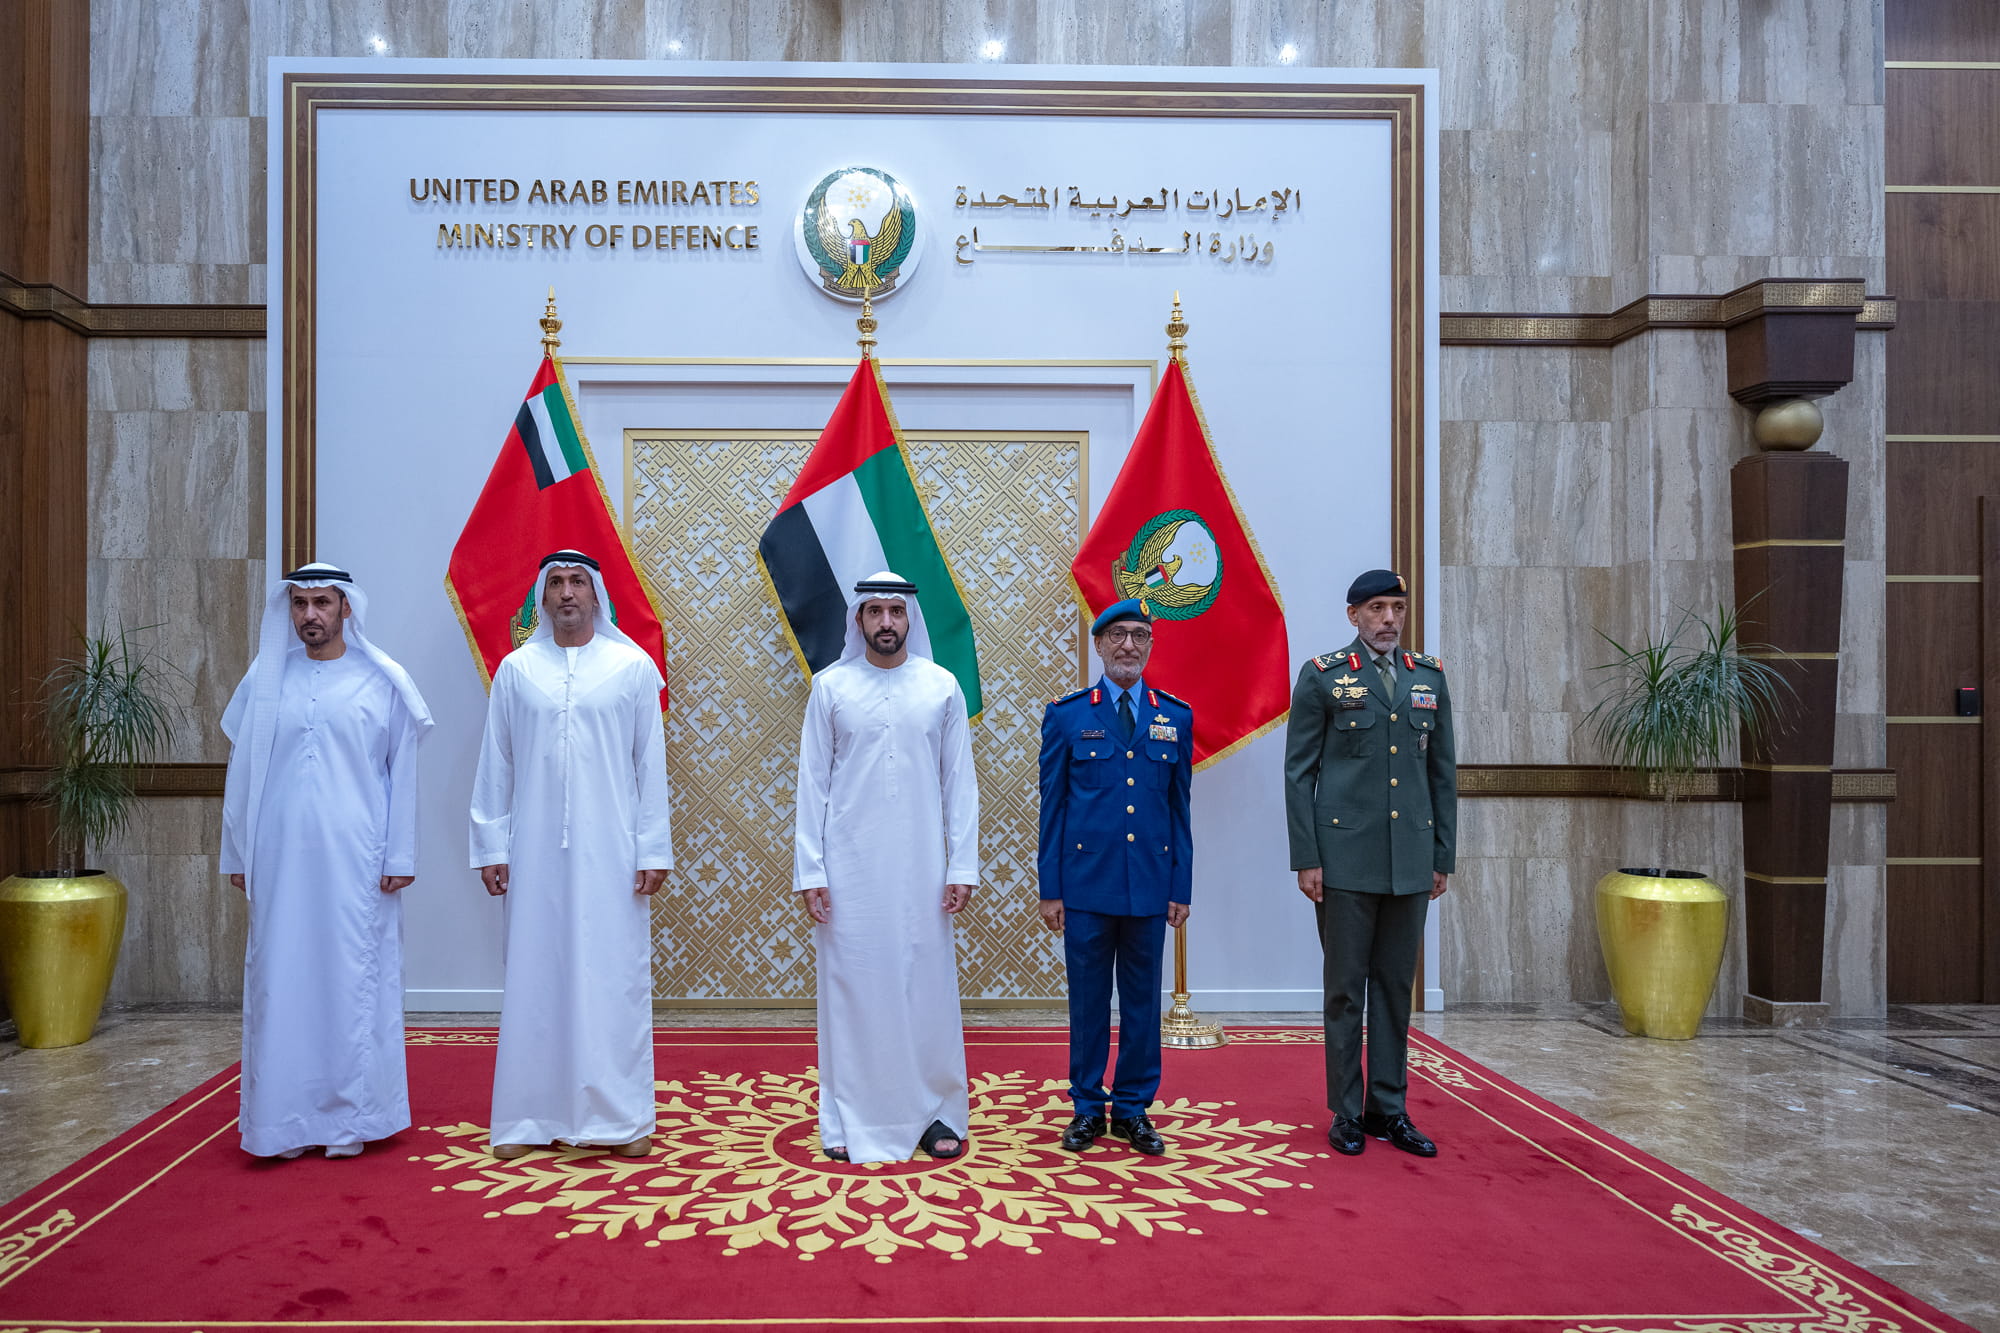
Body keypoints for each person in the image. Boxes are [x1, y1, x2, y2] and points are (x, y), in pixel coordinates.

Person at [220, 562, 432, 1160]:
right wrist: (236, 851)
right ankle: (281, 1125)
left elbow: (402, 774)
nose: (310, 615)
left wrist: (401, 854)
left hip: (358, 865)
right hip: (280, 863)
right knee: (280, 981)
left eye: (322, 603)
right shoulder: (267, 678)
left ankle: (350, 1123)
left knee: (351, 983)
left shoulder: (382, 681)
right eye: (301, 604)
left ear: (346, 609)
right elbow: (243, 773)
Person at [470, 549, 673, 1160]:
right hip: (533, 853)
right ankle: (528, 1116)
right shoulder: (516, 670)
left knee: (612, 979)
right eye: (555, 583)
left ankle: (620, 1119)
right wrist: (491, 843)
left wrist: (652, 848)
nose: (565, 594)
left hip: (612, 851)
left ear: (595, 594)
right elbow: (496, 763)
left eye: (576, 583)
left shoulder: (631, 667)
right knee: (536, 975)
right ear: (540, 596)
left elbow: (649, 766)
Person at [793, 572, 980, 1165]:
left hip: (925, 868)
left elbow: (960, 785)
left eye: (895, 612)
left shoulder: (941, 687)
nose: (885, 623)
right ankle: (851, 1114)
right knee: (855, 989)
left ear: (909, 619)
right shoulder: (831, 687)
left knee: (925, 989)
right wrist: (812, 871)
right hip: (850, 871)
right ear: (858, 620)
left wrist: (962, 865)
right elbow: (812, 785)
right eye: (873, 612)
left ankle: (937, 1113)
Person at [1283, 569, 1456, 1159]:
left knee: (1392, 990)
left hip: (1409, 860)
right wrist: (1307, 858)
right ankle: (1346, 1111)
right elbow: (1298, 772)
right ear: (1353, 615)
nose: (1388, 620)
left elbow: (1442, 775)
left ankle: (1390, 1108)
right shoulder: (1324, 676)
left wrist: (1441, 857)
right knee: (1344, 993)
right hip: (1344, 862)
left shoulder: (1426, 677)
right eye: (1377, 608)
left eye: (1397, 609)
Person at [1037, 598, 1193, 1156]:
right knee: (1087, 1001)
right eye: (1118, 636)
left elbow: (1179, 810)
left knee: (1142, 1001)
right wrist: (1050, 889)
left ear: (1150, 645)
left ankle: (1132, 1108)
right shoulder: (1068, 714)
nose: (1129, 645)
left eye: (1139, 636)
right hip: (1085, 886)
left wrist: (1181, 887)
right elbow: (1052, 807)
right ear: (1099, 645)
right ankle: (1086, 1107)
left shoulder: (1174, 715)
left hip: (1150, 885)